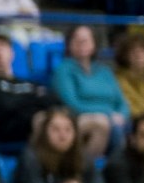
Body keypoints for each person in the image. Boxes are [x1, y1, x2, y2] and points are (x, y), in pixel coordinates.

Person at [52, 24, 129, 159]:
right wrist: (108, 114)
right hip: (81, 118)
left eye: (86, 39)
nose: (81, 42)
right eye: (76, 39)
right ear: (69, 44)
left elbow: (121, 101)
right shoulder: (63, 70)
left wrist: (122, 115)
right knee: (113, 129)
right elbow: (72, 103)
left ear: (94, 44)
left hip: (114, 120)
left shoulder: (105, 71)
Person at [0, 33, 57, 145]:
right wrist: (34, 98)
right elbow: (5, 106)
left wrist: (20, 100)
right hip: (11, 130)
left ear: (12, 53)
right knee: (44, 120)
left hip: (39, 122)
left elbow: (54, 100)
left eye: (2, 48)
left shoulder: (29, 83)